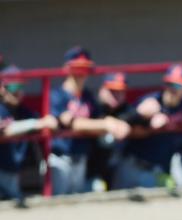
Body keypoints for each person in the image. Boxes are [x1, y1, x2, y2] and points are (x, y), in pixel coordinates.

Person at [49, 47, 130, 195]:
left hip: (81, 158)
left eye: (85, 68)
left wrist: (114, 123)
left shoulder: (87, 97)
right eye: (77, 68)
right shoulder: (56, 95)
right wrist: (106, 124)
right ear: (67, 68)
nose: (81, 73)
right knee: (58, 202)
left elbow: (97, 120)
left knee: (78, 201)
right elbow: (72, 124)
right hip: (60, 159)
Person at [118, 64, 182, 193]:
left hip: (157, 171)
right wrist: (140, 116)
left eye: (178, 85)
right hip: (133, 166)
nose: (173, 89)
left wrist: (169, 121)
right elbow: (122, 123)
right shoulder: (152, 101)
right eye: (170, 84)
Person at [0, 66, 58, 207]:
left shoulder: (23, 111)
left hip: (15, 170)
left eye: (20, 88)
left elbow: (46, 123)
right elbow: (5, 130)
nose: (18, 93)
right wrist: (37, 123)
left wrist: (48, 122)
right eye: (14, 88)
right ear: (2, 89)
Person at [88, 73, 140, 191]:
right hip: (89, 172)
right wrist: (105, 124)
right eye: (112, 91)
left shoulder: (126, 111)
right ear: (102, 90)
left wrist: (125, 123)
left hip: (116, 173)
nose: (116, 95)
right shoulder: (93, 108)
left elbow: (139, 117)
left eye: (120, 91)